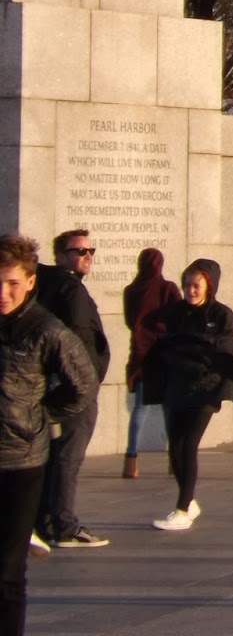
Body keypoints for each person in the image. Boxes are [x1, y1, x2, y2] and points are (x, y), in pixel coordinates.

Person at [1, 233, 97, 636]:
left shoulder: (46, 330)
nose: (3, 293)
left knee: (7, 570)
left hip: (21, 463)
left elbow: (83, 384)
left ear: (29, 282)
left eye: (12, 283)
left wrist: (40, 413)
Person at [143, 259, 233, 530]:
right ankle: (189, 500)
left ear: (209, 286)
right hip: (178, 385)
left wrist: (197, 354)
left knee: (188, 444)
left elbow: (226, 349)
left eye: (196, 285)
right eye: (186, 285)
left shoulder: (221, 315)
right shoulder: (176, 313)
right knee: (175, 447)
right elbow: (166, 347)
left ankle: (182, 508)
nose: (190, 291)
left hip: (207, 389)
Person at [33, 229, 111, 549]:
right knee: (69, 456)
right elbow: (78, 340)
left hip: (63, 383)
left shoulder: (53, 285)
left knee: (57, 455)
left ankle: (46, 521)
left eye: (90, 250)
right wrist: (85, 379)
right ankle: (64, 526)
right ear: (60, 256)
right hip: (77, 387)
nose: (87, 256)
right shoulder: (70, 289)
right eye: (79, 251)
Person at [122, 247, 180, 480]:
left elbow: (130, 321)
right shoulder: (167, 288)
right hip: (163, 354)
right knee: (168, 409)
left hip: (141, 354)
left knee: (140, 408)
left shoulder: (131, 290)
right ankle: (174, 461)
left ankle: (131, 461)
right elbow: (177, 318)